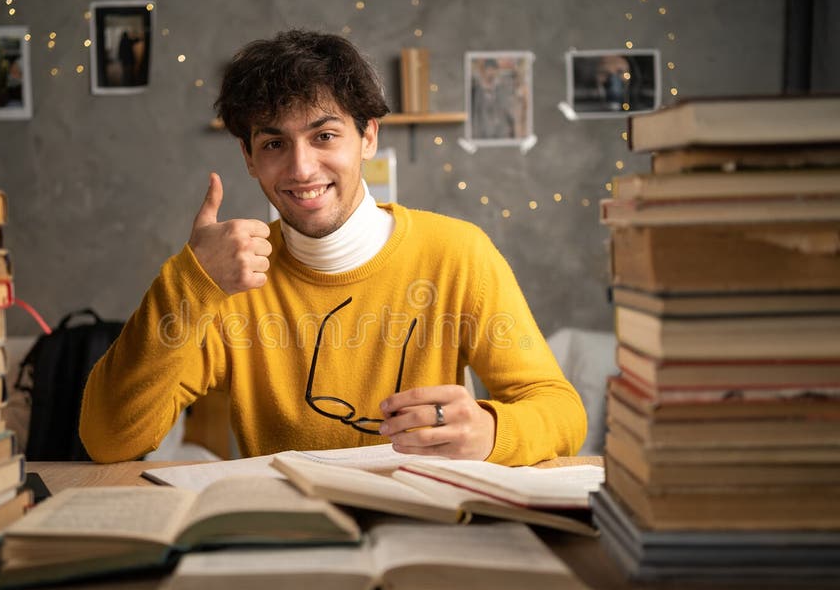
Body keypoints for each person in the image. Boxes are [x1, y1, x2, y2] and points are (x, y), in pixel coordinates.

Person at [79, 29, 585, 465]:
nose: (300, 169)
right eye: (274, 144)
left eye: (324, 136)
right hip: (292, 543)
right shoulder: (225, 281)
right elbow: (108, 440)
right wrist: (188, 280)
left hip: (427, 527)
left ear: (367, 138)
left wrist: (493, 432)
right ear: (249, 158)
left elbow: (560, 410)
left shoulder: (458, 253)